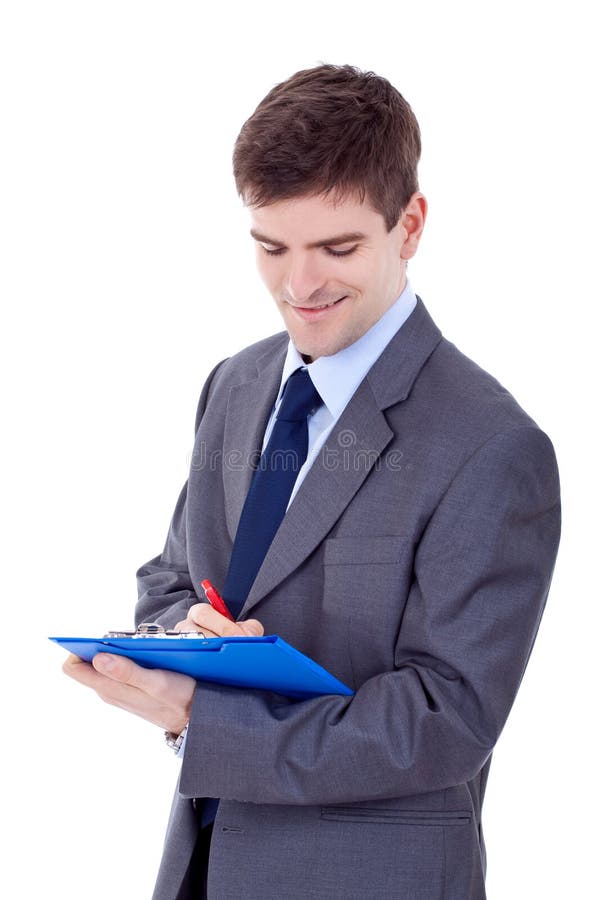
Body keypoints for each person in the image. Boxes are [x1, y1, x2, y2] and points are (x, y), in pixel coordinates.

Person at [63, 64, 561, 900]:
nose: (300, 286)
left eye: (338, 248)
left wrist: (201, 714)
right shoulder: (236, 384)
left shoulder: (492, 446)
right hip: (204, 866)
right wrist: (181, 640)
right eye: (272, 248)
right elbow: (173, 576)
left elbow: (446, 721)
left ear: (409, 226)